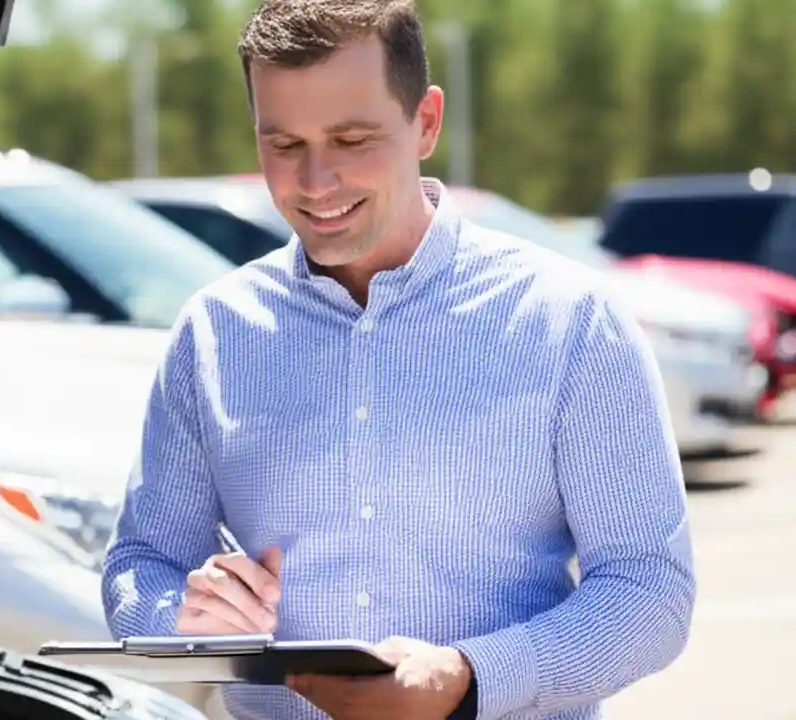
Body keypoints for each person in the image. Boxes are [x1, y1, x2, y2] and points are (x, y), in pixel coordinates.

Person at [100, 0, 696, 718]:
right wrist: (180, 624)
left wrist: (468, 677)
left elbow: (647, 589)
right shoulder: (214, 332)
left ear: (427, 123)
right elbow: (142, 563)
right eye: (283, 144)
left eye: (352, 139)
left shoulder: (569, 321)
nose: (316, 183)